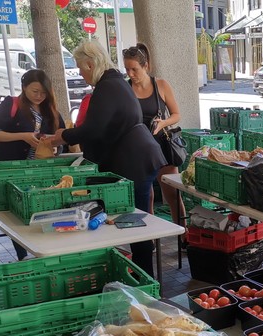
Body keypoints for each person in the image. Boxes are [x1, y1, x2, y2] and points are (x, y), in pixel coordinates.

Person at [46, 41, 166, 278]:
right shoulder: (114, 82)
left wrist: (63, 136)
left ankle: (146, 281)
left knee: (136, 225)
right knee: (134, 223)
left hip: (135, 162)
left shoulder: (108, 86)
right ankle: (142, 276)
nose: (80, 73)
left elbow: (94, 129)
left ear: (90, 64)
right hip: (136, 160)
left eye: (81, 68)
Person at [0, 69, 65, 260]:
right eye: (34, 91)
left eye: (43, 93)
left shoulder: (50, 109)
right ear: (24, 87)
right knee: (17, 217)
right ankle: (23, 256)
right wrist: (23, 136)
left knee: (43, 213)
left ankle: (45, 254)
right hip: (13, 171)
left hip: (41, 171)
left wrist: (55, 146)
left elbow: (61, 135)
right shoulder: (10, 105)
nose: (39, 96)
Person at [122, 43, 186, 226]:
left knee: (172, 194)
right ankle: (148, 239)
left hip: (162, 146)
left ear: (146, 66)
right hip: (137, 151)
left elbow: (176, 115)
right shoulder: (125, 88)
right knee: (145, 195)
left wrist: (163, 123)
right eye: (127, 69)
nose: (130, 74)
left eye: (134, 69)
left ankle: (183, 235)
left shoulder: (161, 85)